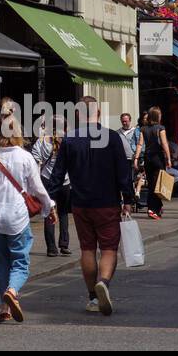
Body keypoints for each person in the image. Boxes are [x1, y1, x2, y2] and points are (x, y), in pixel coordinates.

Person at [46, 96, 134, 315]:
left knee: (87, 248)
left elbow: (57, 174)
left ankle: (93, 297)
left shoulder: (69, 140)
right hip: (107, 202)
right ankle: (103, 282)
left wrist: (51, 201)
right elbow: (123, 172)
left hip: (80, 203)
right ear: (98, 113)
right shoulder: (112, 138)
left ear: (77, 114)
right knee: (108, 249)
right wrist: (129, 199)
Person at [0, 113, 55, 323]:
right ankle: (13, 292)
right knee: (20, 262)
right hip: (16, 217)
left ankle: (5, 306)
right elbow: (37, 188)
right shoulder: (25, 157)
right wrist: (49, 206)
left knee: (0, 263)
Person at [30, 117, 71, 256]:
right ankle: (64, 244)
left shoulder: (41, 141)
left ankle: (51, 248)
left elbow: (35, 158)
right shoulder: (67, 140)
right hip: (64, 181)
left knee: (48, 212)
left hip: (47, 179)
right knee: (64, 213)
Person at [139, 107, 170, 220]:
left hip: (148, 159)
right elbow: (164, 143)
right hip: (158, 158)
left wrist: (137, 158)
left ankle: (157, 207)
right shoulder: (160, 128)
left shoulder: (143, 129)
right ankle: (153, 209)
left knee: (151, 184)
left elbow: (140, 144)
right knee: (158, 185)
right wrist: (169, 158)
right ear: (157, 116)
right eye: (160, 114)